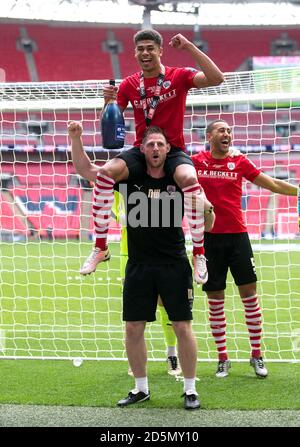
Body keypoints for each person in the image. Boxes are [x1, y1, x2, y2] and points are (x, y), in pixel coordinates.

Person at [68, 123, 215, 409]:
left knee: (183, 326)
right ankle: (141, 388)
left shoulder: (179, 179)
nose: (156, 149)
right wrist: (76, 139)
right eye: (150, 145)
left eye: (160, 144)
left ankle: (190, 389)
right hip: (138, 265)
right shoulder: (128, 178)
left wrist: (207, 208)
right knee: (133, 327)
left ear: (168, 149)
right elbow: (88, 172)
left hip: (174, 264)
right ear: (142, 150)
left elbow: (208, 223)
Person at [74, 28, 224, 284]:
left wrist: (188, 47)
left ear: (160, 51)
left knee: (188, 178)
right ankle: (100, 247)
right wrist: (108, 102)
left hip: (173, 149)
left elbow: (216, 78)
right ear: (135, 53)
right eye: (140, 49)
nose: (145, 53)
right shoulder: (129, 84)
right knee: (106, 174)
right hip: (142, 150)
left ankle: (199, 252)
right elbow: (111, 128)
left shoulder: (178, 76)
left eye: (150, 48)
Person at [191, 120, 298, 379]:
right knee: (215, 299)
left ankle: (257, 354)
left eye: (229, 130)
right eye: (221, 130)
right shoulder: (196, 162)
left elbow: (270, 183)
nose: (227, 133)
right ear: (209, 136)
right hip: (208, 239)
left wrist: (298, 191)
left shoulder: (240, 162)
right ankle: (223, 358)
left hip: (238, 237)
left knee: (249, 296)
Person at [112, 189, 182, 376]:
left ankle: (171, 353)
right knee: (134, 309)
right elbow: (121, 217)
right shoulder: (122, 182)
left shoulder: (160, 178)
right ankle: (135, 358)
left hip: (161, 250)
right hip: (130, 252)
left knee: (165, 304)